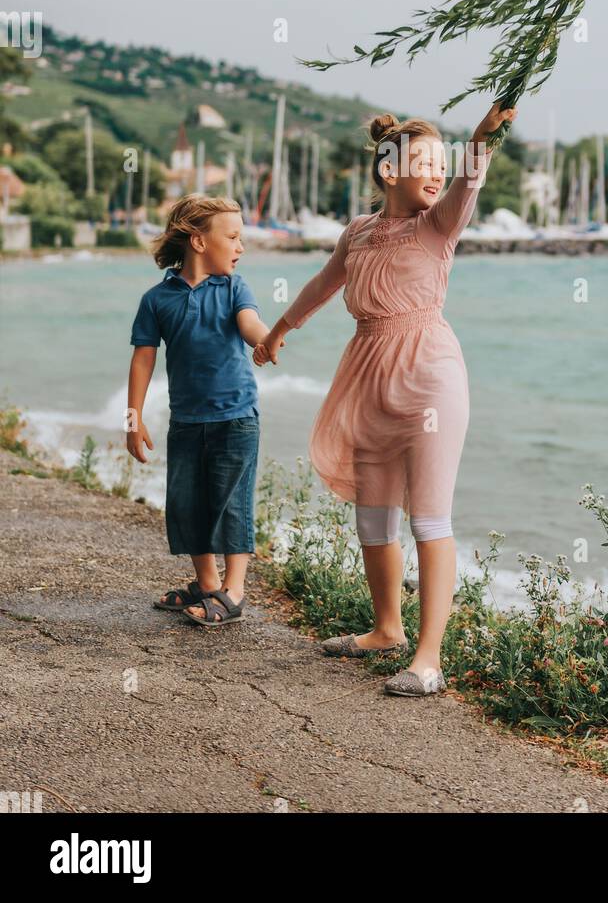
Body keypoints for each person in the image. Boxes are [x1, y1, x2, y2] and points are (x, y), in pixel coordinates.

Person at [255, 101, 516, 694]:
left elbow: (470, 181)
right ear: (388, 170)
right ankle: (386, 629)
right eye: (423, 162)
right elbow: (324, 284)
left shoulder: (438, 226)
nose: (435, 172)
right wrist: (279, 331)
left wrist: (482, 136)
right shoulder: (360, 232)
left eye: (441, 163)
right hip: (369, 374)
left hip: (430, 376)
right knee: (373, 514)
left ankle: (429, 660)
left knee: (428, 516)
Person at [126, 195, 271, 627]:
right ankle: (208, 583)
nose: (240, 246)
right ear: (198, 241)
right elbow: (142, 359)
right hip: (186, 421)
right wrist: (133, 419)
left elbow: (250, 325)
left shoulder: (235, 287)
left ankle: (235, 591)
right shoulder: (157, 299)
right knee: (187, 505)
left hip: (236, 418)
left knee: (231, 504)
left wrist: (266, 339)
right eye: (232, 236)